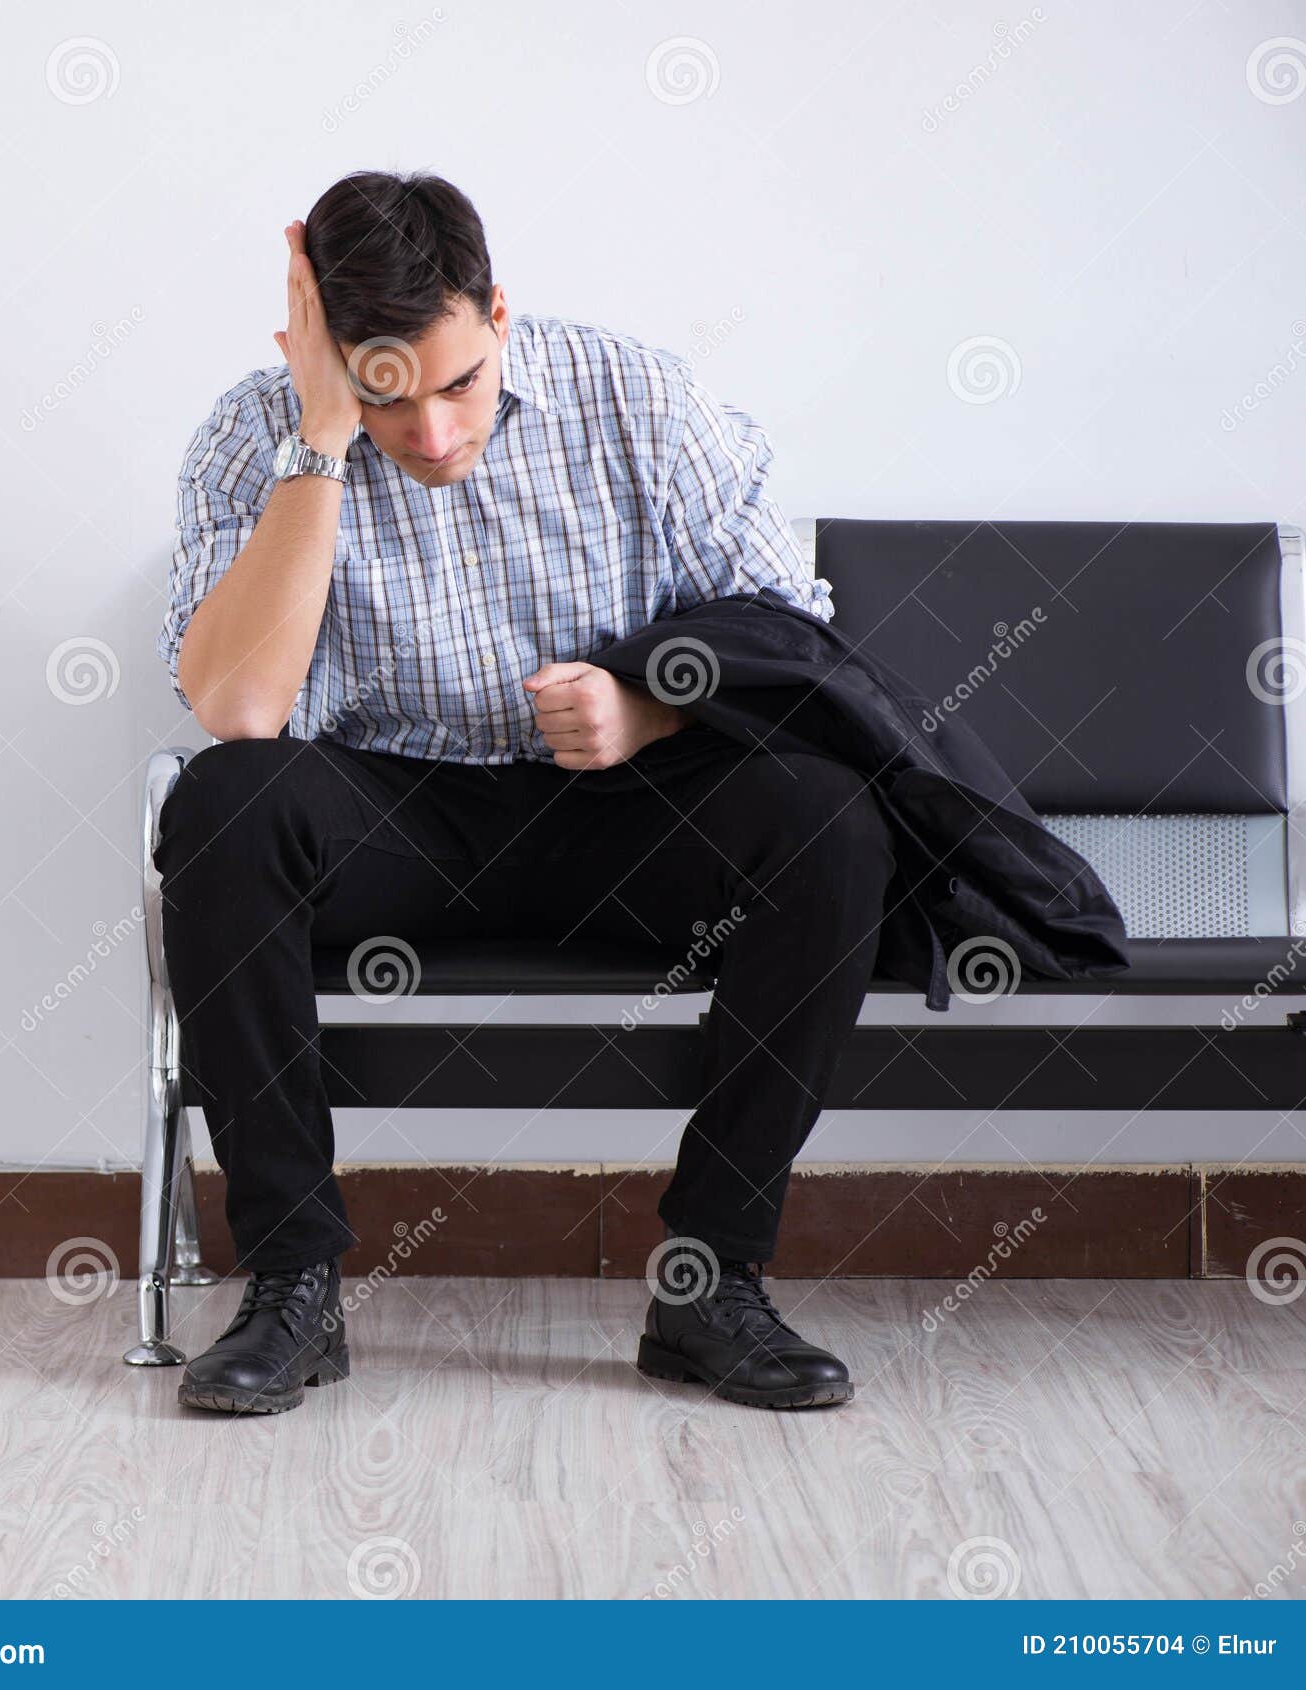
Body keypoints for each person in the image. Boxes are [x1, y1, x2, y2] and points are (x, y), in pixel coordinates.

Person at [152, 169, 897, 1417]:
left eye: (459, 385)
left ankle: (709, 1286)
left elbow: (796, 632)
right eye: (388, 397)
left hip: (628, 804)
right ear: (335, 362)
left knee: (829, 818)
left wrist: (653, 701)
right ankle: (291, 1286)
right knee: (227, 803)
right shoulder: (259, 434)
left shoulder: (640, 395)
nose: (435, 437)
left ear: (500, 315)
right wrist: (322, 442)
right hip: (394, 814)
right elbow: (240, 711)